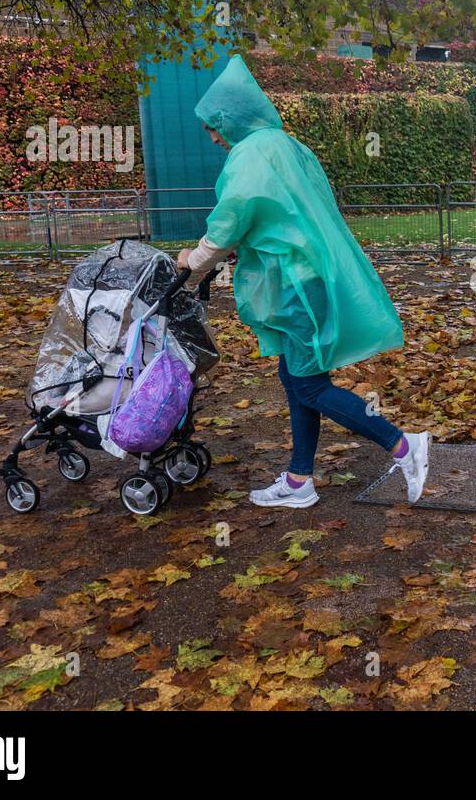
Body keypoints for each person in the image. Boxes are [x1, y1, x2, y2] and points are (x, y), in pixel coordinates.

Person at [178, 55, 430, 508]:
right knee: (296, 380)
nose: (214, 137)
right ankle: (299, 480)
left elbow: (231, 220)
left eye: (214, 126)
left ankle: (404, 445)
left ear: (230, 118)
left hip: (295, 289)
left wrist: (192, 263)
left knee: (310, 386)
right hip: (301, 282)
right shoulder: (286, 146)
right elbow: (281, 216)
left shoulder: (251, 155)